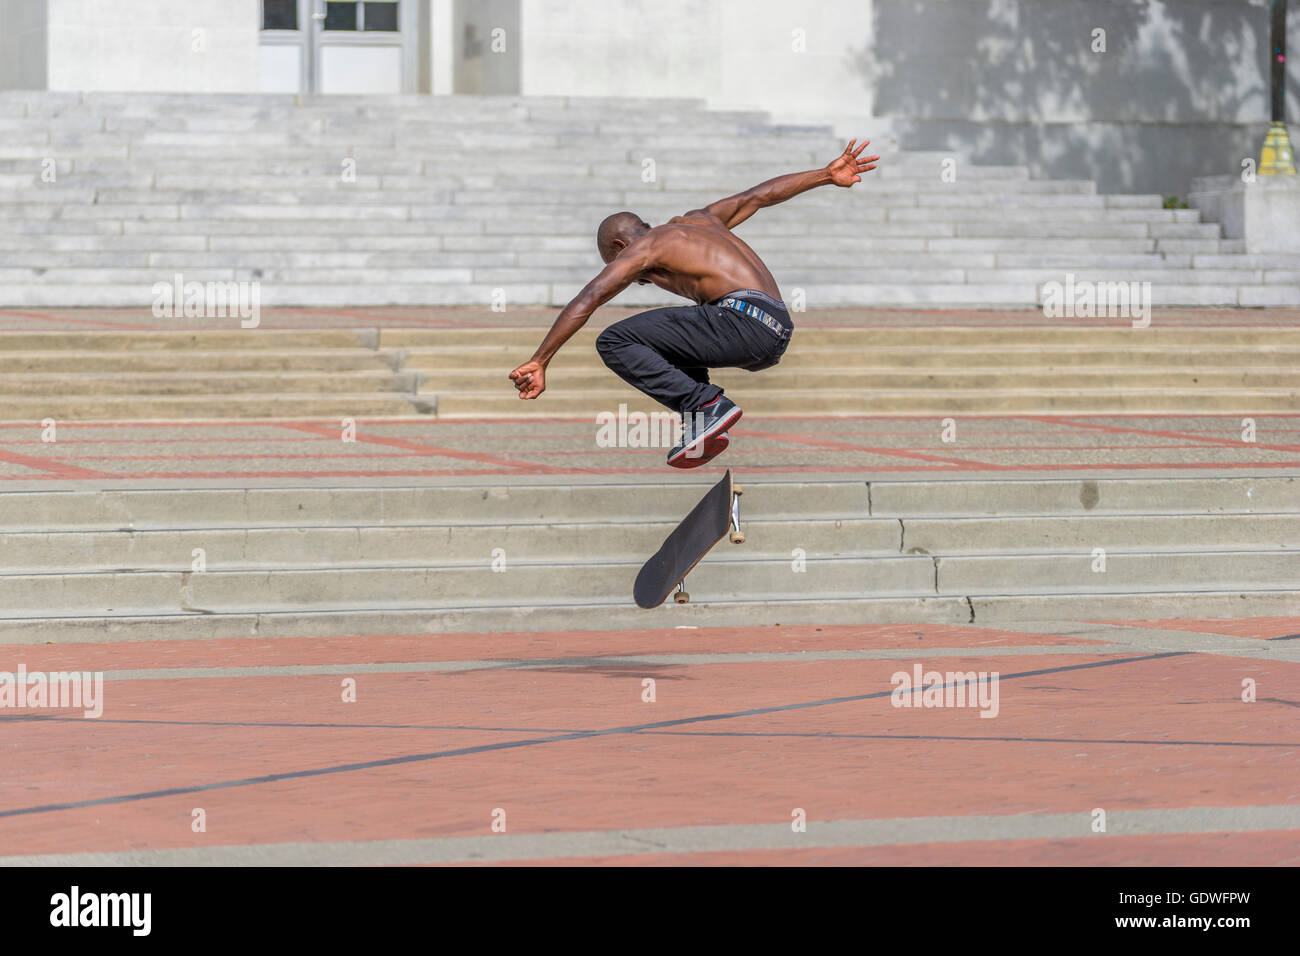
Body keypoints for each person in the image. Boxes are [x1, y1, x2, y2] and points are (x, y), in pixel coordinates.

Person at [508, 139, 880, 467]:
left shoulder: (643, 249)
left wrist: (540, 359)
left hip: (741, 321)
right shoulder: (702, 221)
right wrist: (824, 175)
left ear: (621, 247)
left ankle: (706, 407)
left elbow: (588, 299)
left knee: (615, 341)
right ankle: (702, 417)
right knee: (670, 342)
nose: (639, 280)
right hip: (774, 326)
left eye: (627, 270)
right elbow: (758, 196)